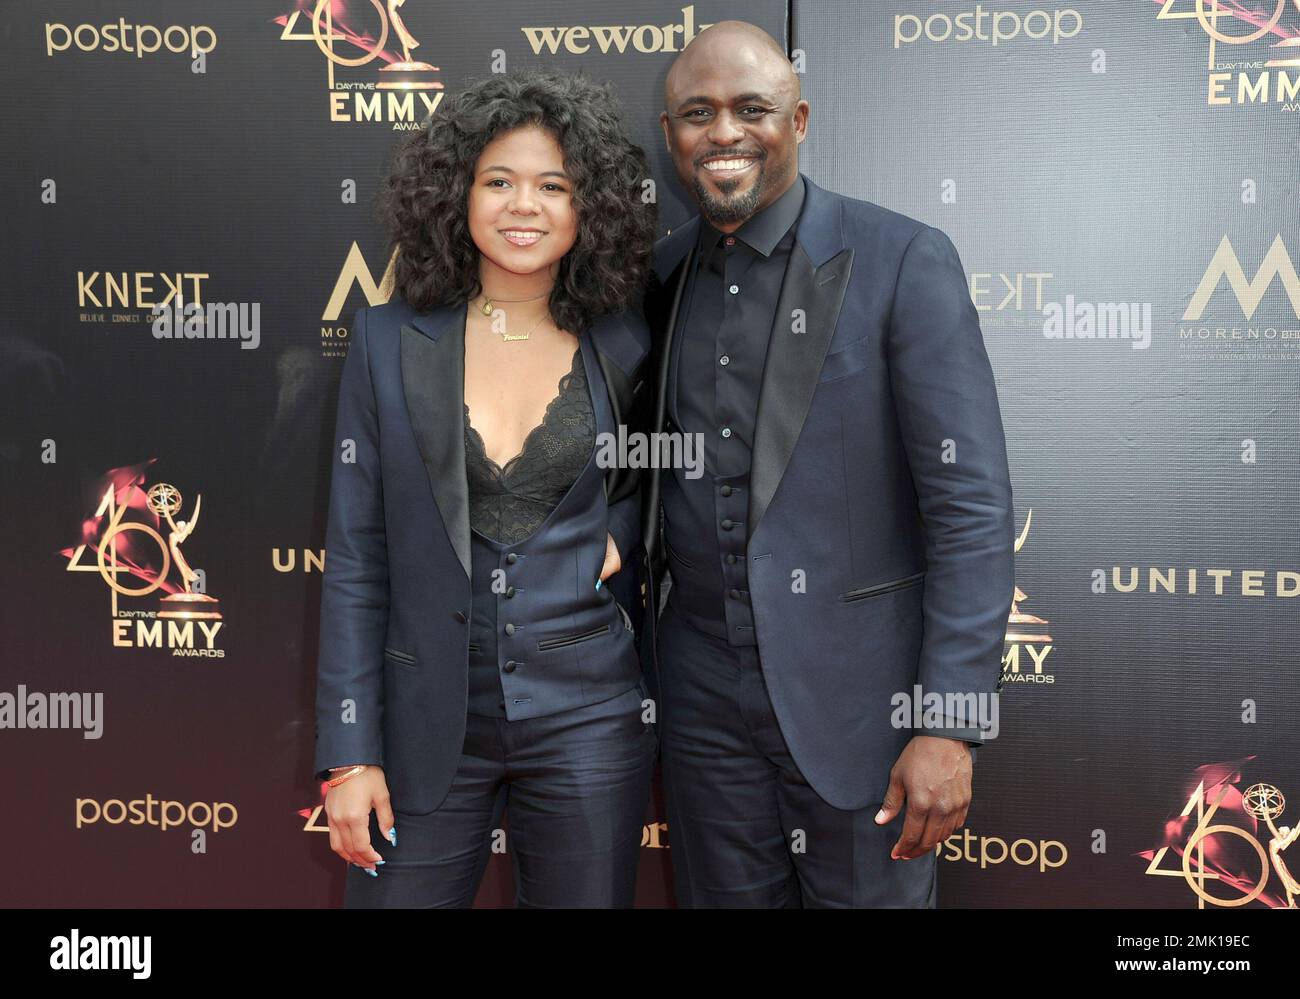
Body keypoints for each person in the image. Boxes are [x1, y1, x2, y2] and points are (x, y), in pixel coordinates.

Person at [640, 21, 1016, 907]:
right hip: (700, 715)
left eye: (751, 108)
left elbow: (970, 505)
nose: (724, 132)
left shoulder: (900, 260)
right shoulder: (656, 280)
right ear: (670, 137)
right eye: (699, 112)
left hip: (869, 717)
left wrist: (948, 724)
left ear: (798, 120)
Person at [312, 70, 658, 908]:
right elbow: (358, 553)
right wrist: (351, 754)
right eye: (497, 181)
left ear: (589, 207)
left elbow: (681, 462)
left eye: (553, 185)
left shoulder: (626, 338)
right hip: (426, 717)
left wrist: (626, 524)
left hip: (589, 712)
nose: (523, 206)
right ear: (456, 197)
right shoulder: (387, 340)